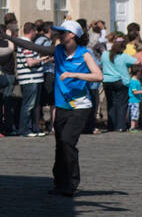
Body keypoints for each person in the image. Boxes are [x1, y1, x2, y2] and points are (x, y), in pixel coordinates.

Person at [29, 20, 102, 197]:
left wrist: (75, 74)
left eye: (63, 33)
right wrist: (8, 37)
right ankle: (59, 183)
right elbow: (35, 47)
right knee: (60, 144)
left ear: (72, 35)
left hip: (80, 106)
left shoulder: (85, 54)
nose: (59, 35)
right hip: (61, 106)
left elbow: (98, 76)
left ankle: (71, 183)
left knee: (68, 141)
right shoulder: (58, 51)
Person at [14, 22, 44, 136]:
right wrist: (42, 59)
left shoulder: (27, 43)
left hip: (34, 78)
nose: (36, 34)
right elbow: (30, 62)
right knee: (28, 105)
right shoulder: (26, 44)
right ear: (31, 31)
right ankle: (25, 129)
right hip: (30, 79)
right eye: (35, 31)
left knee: (34, 105)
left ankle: (34, 128)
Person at [101, 35, 133, 131]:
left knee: (111, 104)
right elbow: (137, 61)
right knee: (122, 105)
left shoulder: (105, 54)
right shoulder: (124, 56)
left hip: (107, 81)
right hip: (120, 82)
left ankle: (111, 125)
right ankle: (120, 126)